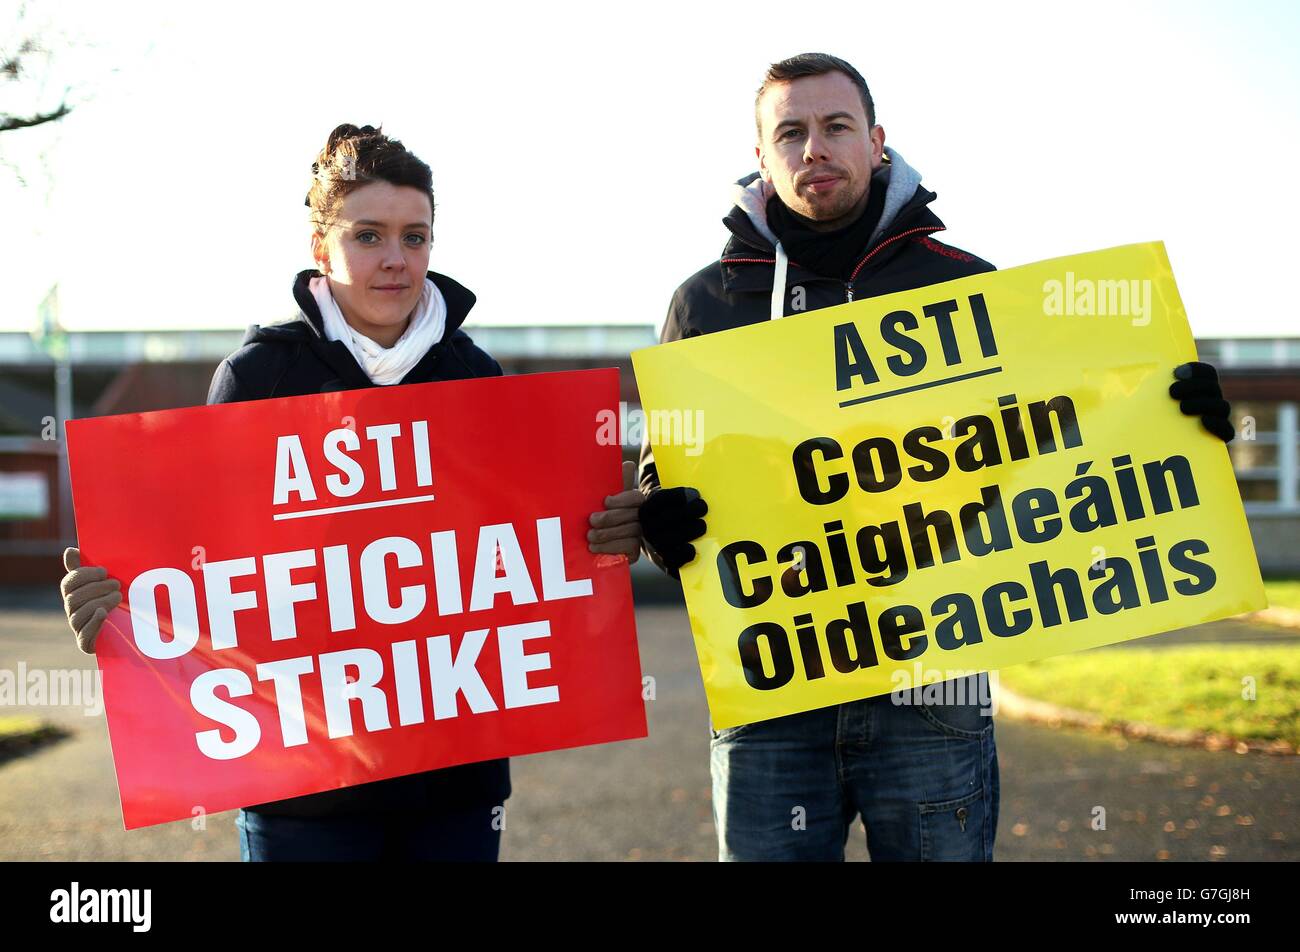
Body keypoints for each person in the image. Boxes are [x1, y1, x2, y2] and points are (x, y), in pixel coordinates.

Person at [636, 53, 1235, 862]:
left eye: (836, 126)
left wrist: (1174, 420)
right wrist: (663, 524)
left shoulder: (965, 287)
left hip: (935, 674)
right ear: (762, 156)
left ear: (877, 141)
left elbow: (1054, 441)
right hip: (771, 684)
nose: (814, 147)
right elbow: (662, 481)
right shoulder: (704, 303)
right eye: (791, 131)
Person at [58, 123, 646, 862]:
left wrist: (599, 541)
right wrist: (119, 612)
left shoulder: (478, 381)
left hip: (455, 784)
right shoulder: (257, 379)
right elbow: (207, 569)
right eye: (368, 236)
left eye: (416, 236)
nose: (396, 259)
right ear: (319, 247)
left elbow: (521, 564)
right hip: (299, 785)